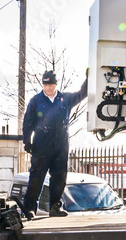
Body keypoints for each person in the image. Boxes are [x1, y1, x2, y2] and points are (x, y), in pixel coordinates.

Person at [21, 69, 88, 218]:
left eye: (51, 84)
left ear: (55, 84)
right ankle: (29, 208)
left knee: (59, 177)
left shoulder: (65, 98)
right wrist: (27, 140)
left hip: (61, 146)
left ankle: (55, 207)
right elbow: (27, 123)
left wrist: (88, 78)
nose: (48, 88)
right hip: (41, 146)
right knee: (36, 177)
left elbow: (82, 94)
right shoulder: (35, 101)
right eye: (45, 85)